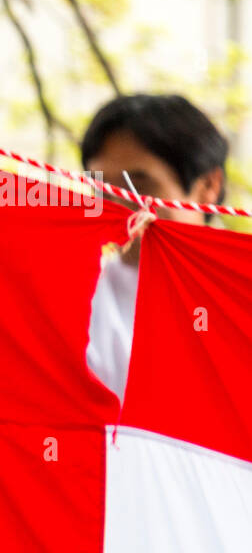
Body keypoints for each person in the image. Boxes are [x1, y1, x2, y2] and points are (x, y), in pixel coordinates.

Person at [81, 94, 227, 399]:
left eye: (139, 185)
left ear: (208, 186)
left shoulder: (238, 293)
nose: (119, 207)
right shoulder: (77, 304)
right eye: (102, 189)